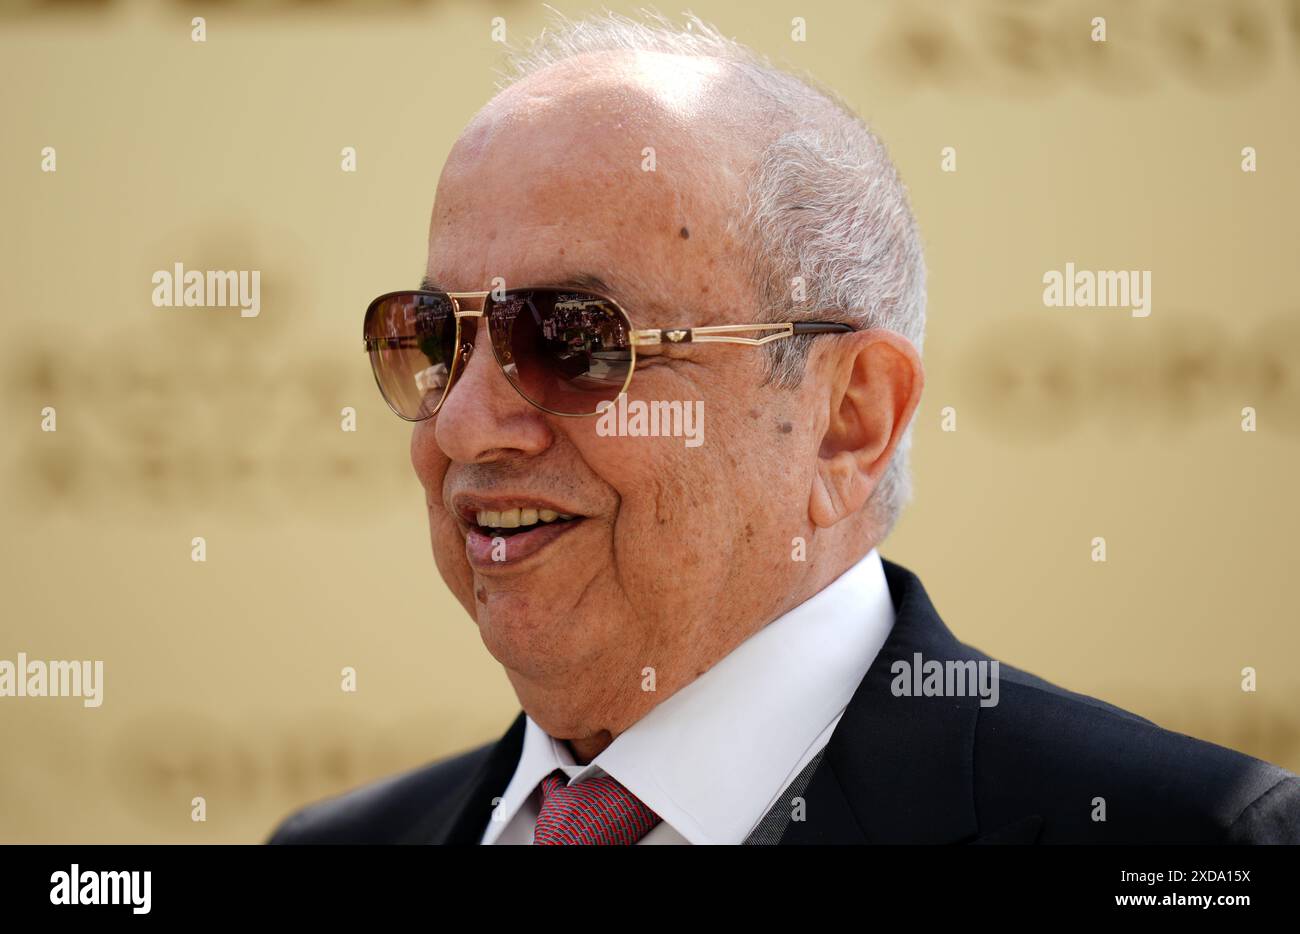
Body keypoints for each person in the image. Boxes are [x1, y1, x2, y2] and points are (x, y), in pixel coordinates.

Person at [270, 12, 1299, 844]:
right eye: (434, 338)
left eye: (571, 338)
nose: (464, 424)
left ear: (847, 422)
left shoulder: (1181, 842)